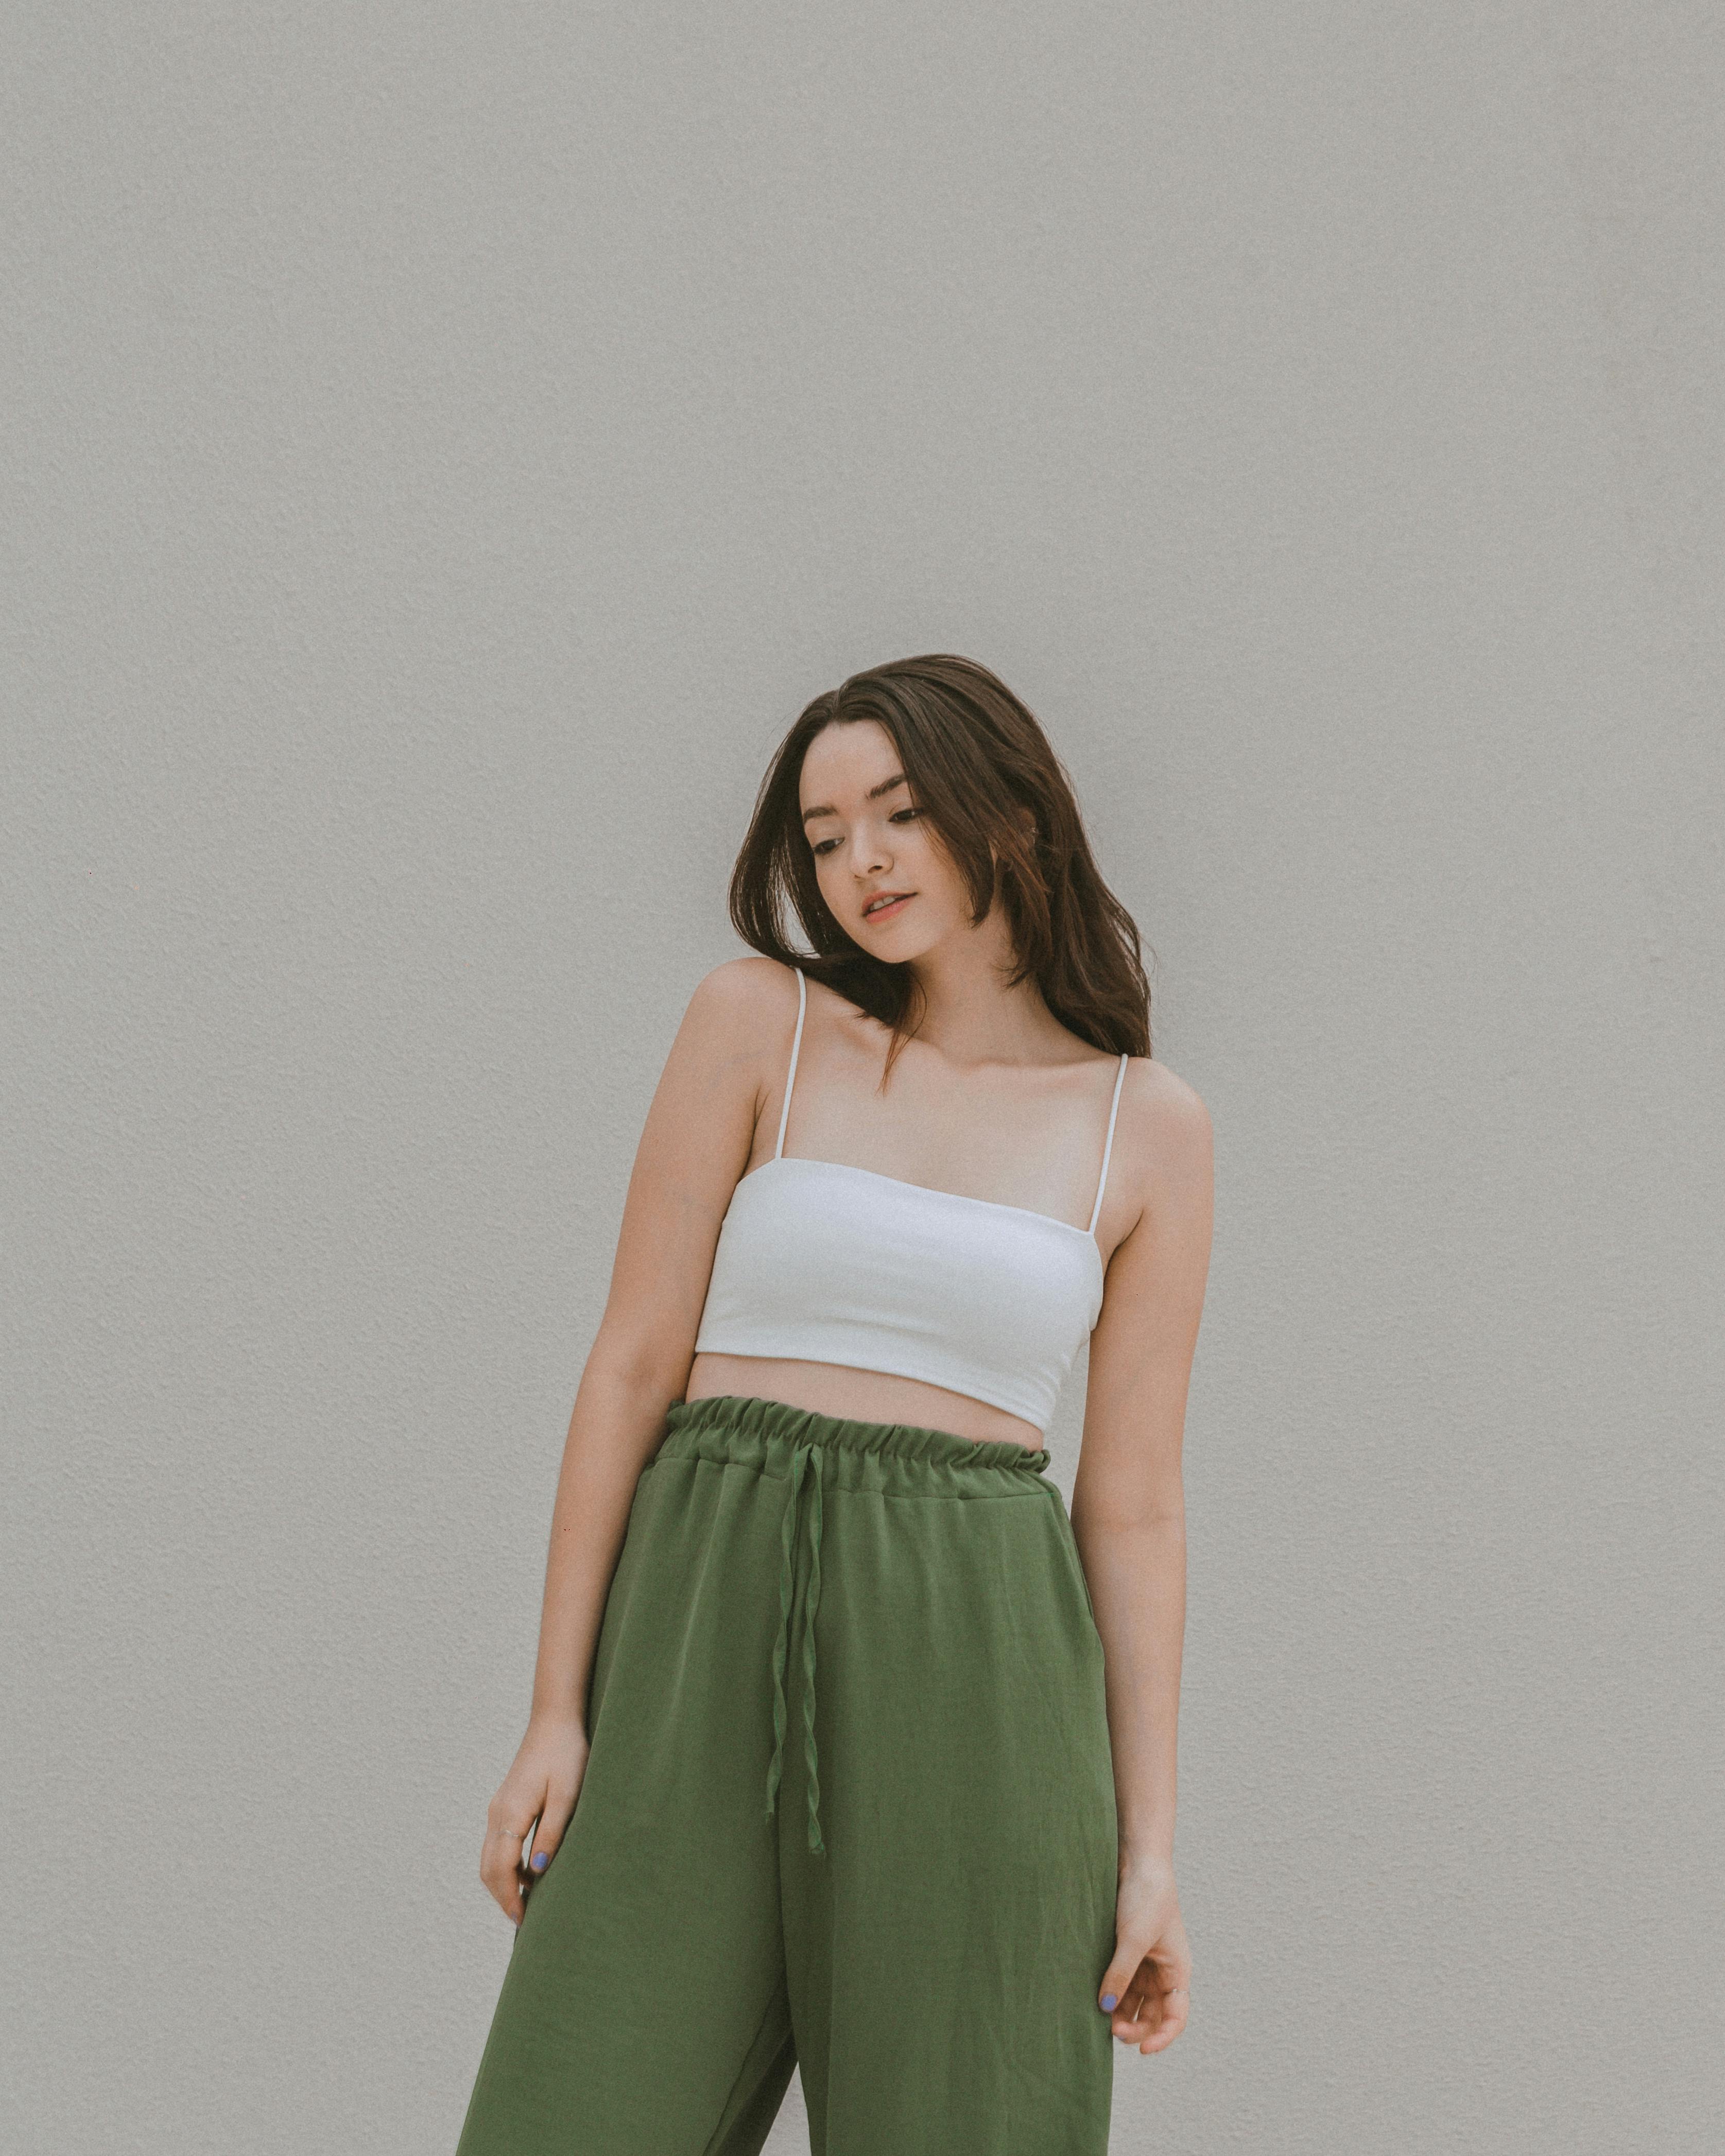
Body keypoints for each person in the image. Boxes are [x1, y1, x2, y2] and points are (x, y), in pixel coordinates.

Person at [453, 654, 1214, 2156]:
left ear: (1011, 815)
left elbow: (1130, 1505)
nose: (859, 858)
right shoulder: (758, 1024)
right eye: (822, 832)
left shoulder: (1150, 1127)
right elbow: (627, 1365)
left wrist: (1148, 1850)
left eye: (900, 811)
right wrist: (555, 1708)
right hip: (698, 1620)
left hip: (980, 1662)